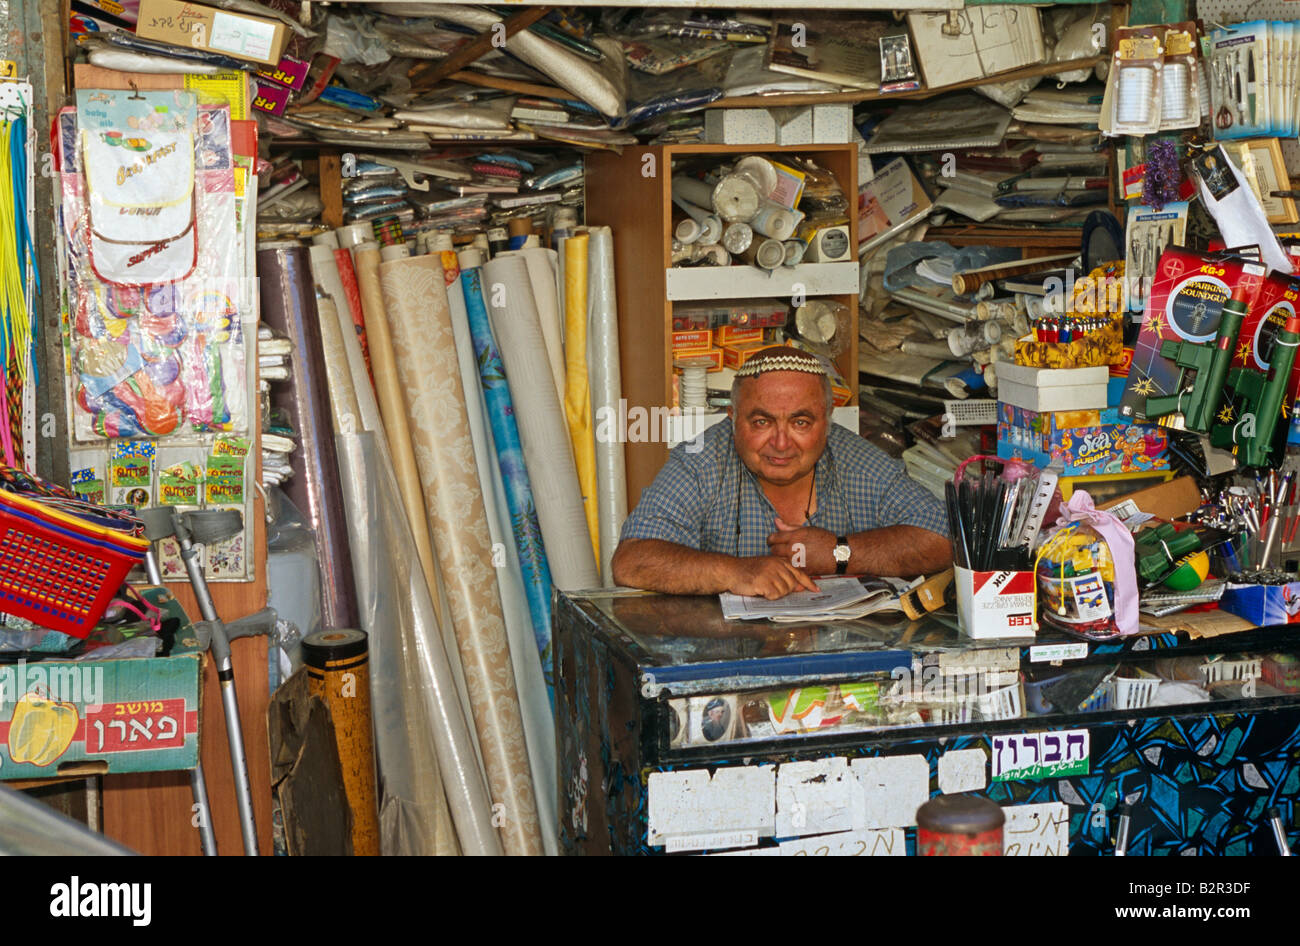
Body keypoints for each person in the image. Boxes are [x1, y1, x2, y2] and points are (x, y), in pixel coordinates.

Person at [611, 346, 952, 599]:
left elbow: (944, 539)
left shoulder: (856, 459)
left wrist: (839, 552)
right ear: (732, 418)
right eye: (761, 421)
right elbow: (631, 561)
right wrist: (735, 571)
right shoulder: (700, 463)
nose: (781, 442)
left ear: (827, 422)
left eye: (801, 422)